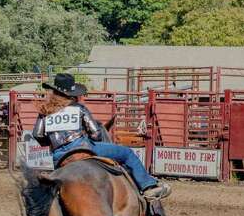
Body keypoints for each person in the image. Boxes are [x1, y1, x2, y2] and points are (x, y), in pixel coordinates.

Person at [32, 73, 170, 200]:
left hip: (59, 157)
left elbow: (37, 135)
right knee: (127, 153)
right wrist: (89, 139)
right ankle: (148, 186)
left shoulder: (45, 112)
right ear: (69, 94)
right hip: (82, 149)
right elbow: (96, 134)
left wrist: (52, 144)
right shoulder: (78, 108)